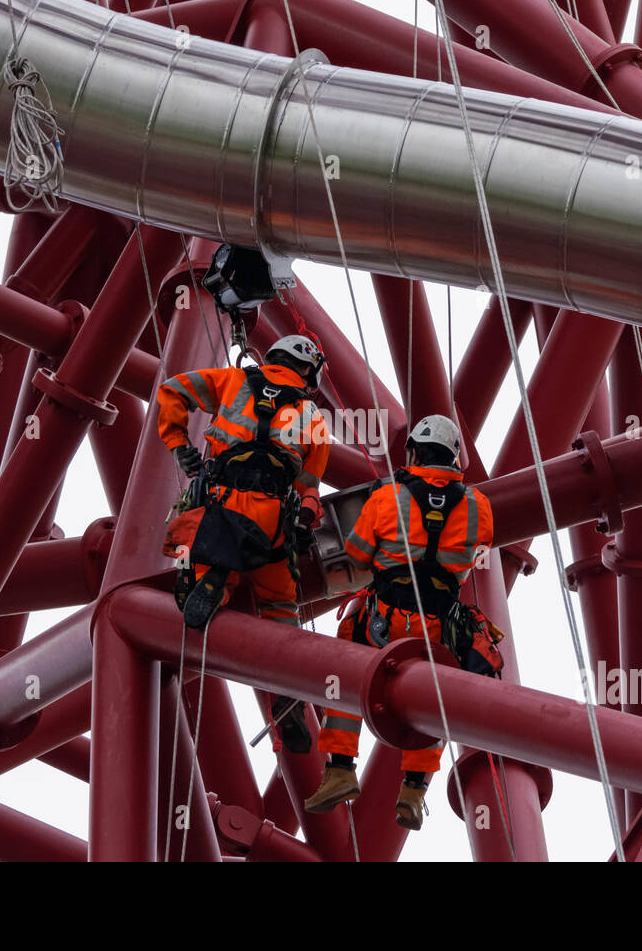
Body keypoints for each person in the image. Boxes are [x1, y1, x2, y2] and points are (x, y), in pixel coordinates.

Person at [304, 414, 495, 830]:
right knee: (434, 696)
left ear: (413, 452)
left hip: (385, 619)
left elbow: (355, 556)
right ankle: (414, 789)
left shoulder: (387, 497)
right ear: (455, 457)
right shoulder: (480, 507)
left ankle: (339, 769)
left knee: (345, 662)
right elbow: (470, 561)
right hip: (437, 627)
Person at [157, 334, 329, 752]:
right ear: (308, 371)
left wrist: (180, 446)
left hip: (220, 502)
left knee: (188, 556)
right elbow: (309, 489)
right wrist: (305, 519)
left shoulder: (233, 380)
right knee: (281, 605)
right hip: (272, 520)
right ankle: (286, 691)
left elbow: (173, 391)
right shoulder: (313, 416)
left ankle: (211, 580)